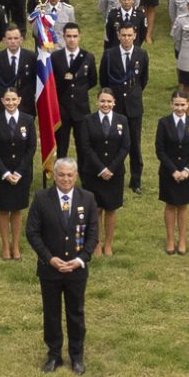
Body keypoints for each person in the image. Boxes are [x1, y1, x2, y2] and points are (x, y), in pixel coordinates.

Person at [25, 157, 98, 374]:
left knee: (76, 313)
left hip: (76, 270)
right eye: (61, 175)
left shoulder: (88, 198)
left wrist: (80, 260)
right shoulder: (41, 198)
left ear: (76, 176)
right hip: (50, 270)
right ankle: (54, 355)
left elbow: (93, 236)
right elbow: (32, 232)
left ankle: (76, 356)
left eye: (70, 175)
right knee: (52, 313)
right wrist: (49, 258)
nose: (65, 179)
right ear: (54, 176)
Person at [98, 22, 148, 192]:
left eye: (130, 35)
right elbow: (104, 79)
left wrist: (132, 94)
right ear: (118, 36)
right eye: (123, 35)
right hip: (115, 106)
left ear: (135, 36)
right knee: (112, 144)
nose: (126, 38)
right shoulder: (109, 54)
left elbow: (143, 80)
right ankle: (112, 175)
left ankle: (136, 181)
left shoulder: (141, 54)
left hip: (133, 107)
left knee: (135, 144)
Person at [0, 87, 37, 260]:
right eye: (7, 100)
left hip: (21, 173)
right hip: (1, 174)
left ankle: (15, 245)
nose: (10, 103)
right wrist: (5, 173)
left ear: (19, 100)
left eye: (13, 99)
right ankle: (5, 246)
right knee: (3, 210)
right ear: (2, 101)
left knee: (16, 210)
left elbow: (31, 148)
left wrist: (18, 172)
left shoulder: (28, 120)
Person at [80, 88, 129, 256]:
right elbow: (86, 146)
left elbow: (125, 146)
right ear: (97, 102)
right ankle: (96, 243)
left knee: (111, 209)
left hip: (115, 174)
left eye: (109, 101)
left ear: (114, 102)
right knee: (96, 209)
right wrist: (101, 168)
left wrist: (111, 168)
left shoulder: (122, 120)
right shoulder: (88, 120)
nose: (105, 104)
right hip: (93, 173)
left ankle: (108, 244)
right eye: (102, 101)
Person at [156, 92, 189, 256]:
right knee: (170, 205)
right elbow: (160, 150)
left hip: (187, 173)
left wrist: (186, 170)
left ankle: (182, 239)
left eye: (182, 105)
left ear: (188, 105)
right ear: (171, 105)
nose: (179, 108)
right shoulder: (164, 123)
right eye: (176, 104)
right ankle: (170, 239)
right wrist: (174, 171)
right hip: (169, 172)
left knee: (183, 206)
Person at [51, 22, 94, 160]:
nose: (71, 39)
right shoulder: (55, 57)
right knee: (61, 147)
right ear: (63, 37)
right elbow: (52, 82)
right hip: (62, 110)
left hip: (81, 110)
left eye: (75, 36)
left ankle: (85, 178)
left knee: (83, 147)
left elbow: (92, 80)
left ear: (79, 37)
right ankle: (60, 179)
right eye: (68, 36)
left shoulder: (88, 57)